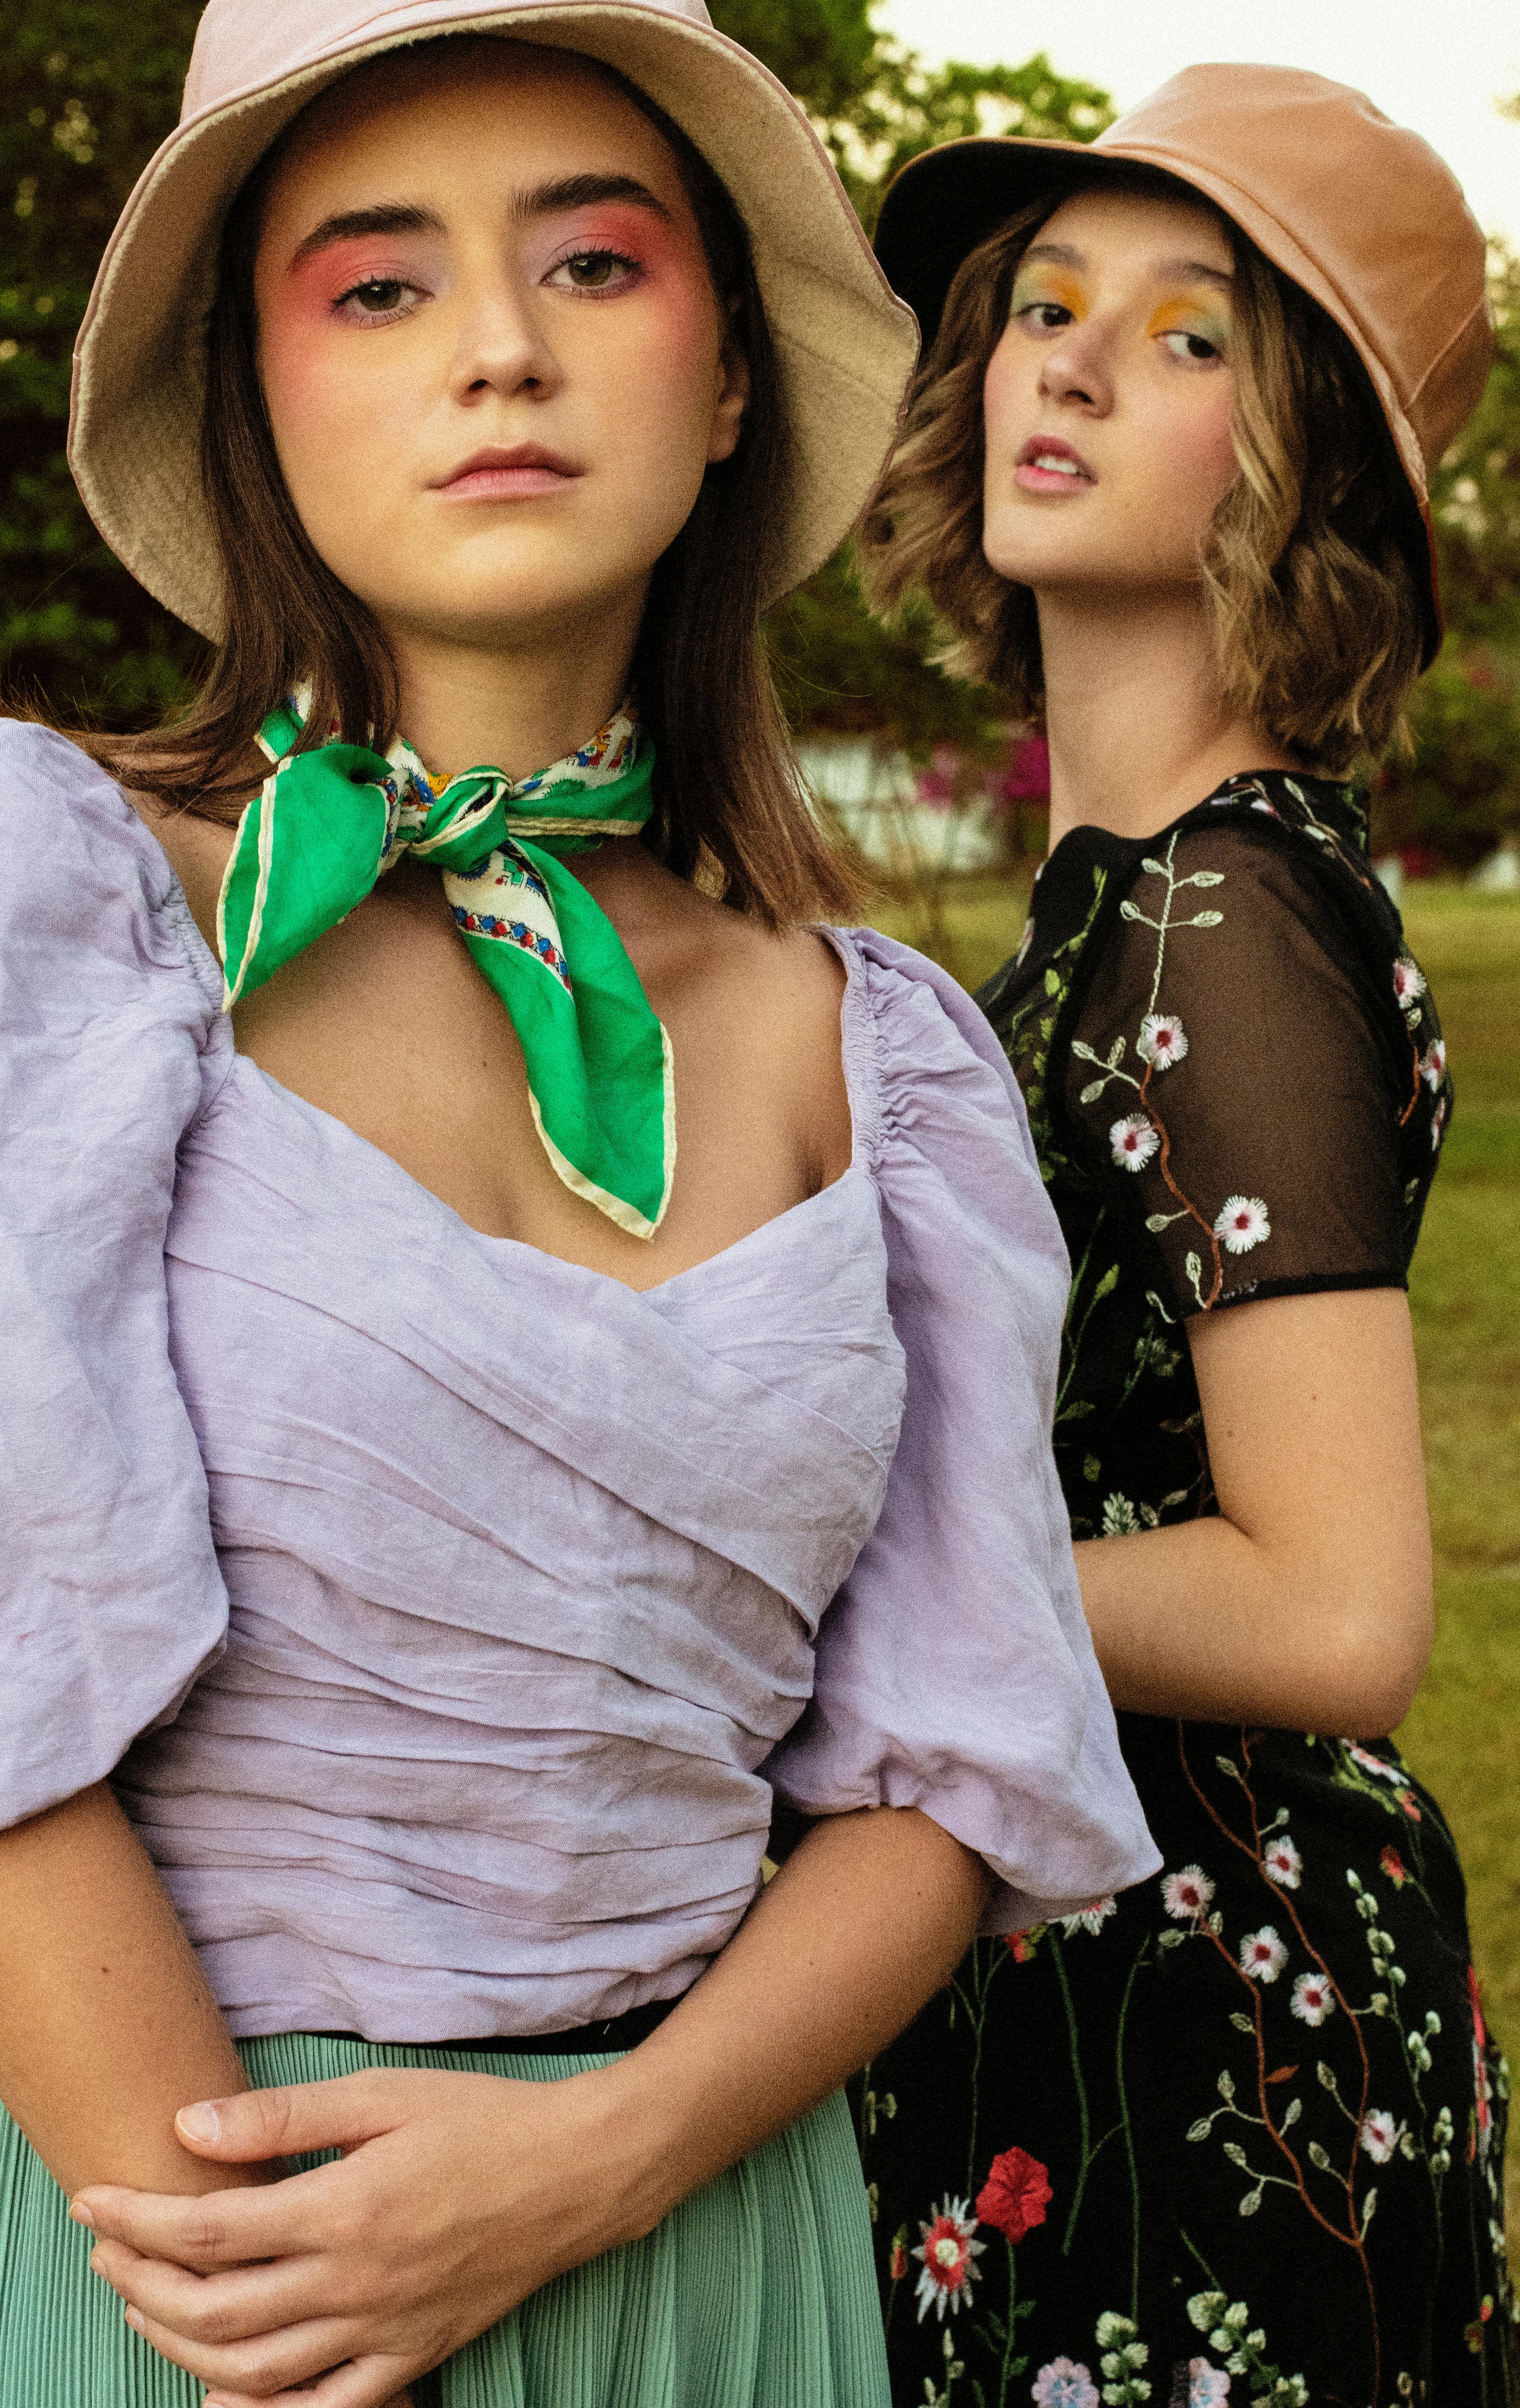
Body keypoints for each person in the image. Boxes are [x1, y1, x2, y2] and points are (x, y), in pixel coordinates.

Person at [0, 3, 1160, 2404]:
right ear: (256, 398)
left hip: (714, 2252)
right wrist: (272, 2316)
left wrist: (606, 2160)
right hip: (187, 2267)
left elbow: (950, 1765)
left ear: (727, 376)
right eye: (380, 284)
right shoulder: (62, 909)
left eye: (595, 264)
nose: (501, 350)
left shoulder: (881, 1056)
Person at [855, 64, 1517, 2408]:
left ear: (1303, 466)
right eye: (1045, 306)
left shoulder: (1219, 919)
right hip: (1087, 1947)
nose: (1069, 362)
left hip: (1200, 2015)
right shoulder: (1124, 896)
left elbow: (1336, 1609)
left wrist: (843, 1595)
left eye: (1187, 332)